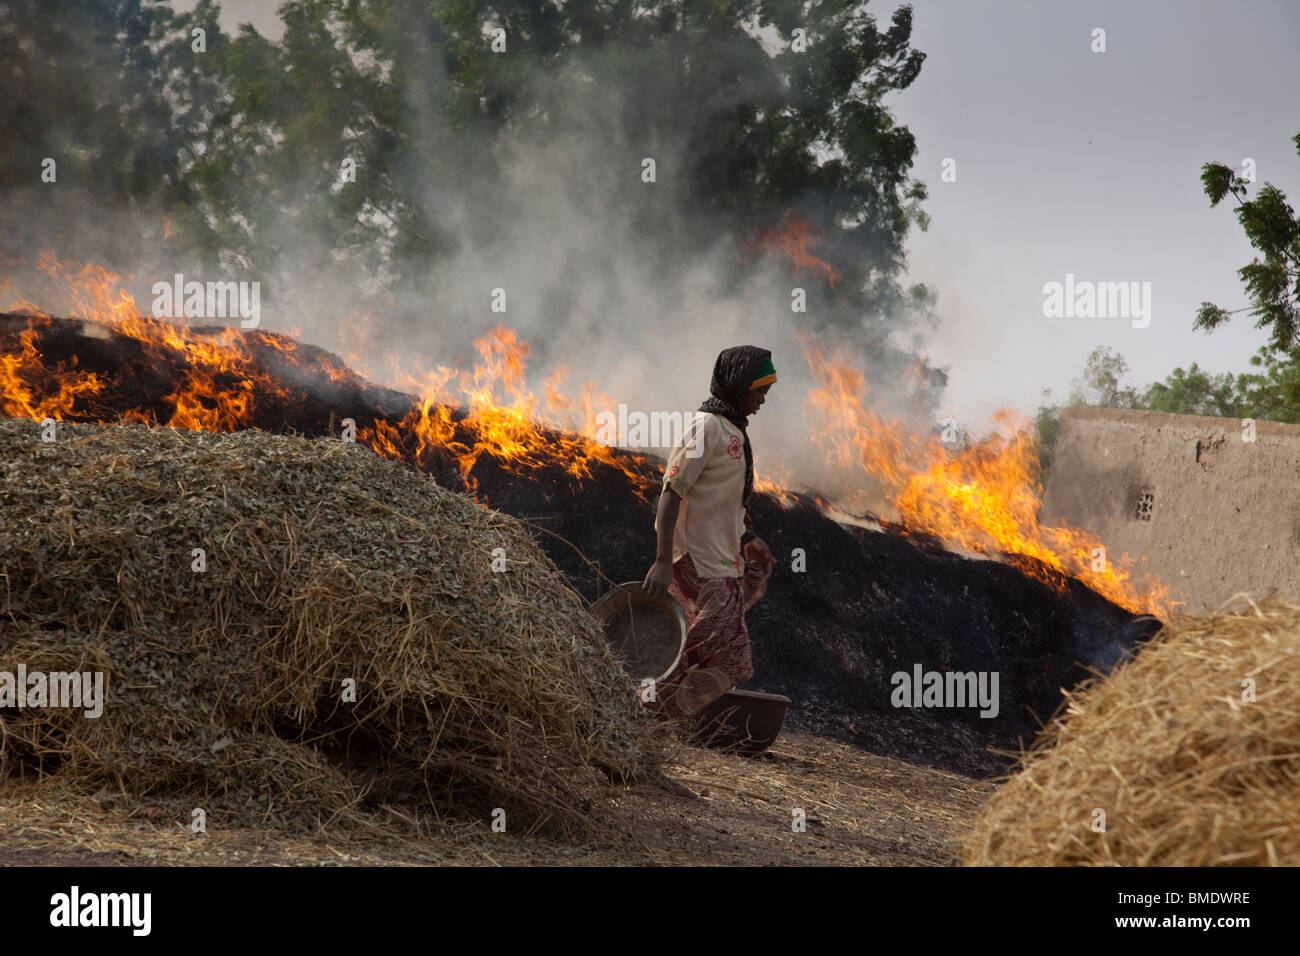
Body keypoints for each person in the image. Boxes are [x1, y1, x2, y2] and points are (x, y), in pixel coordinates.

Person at [642, 345, 776, 718]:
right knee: (702, 652)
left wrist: (748, 539)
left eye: (767, 391)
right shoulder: (705, 428)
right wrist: (662, 560)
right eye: (759, 389)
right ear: (737, 384)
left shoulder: (733, 430)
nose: (763, 399)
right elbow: (671, 494)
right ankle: (645, 715)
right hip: (699, 563)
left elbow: (722, 501)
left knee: (726, 656)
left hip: (723, 563)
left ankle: (658, 718)